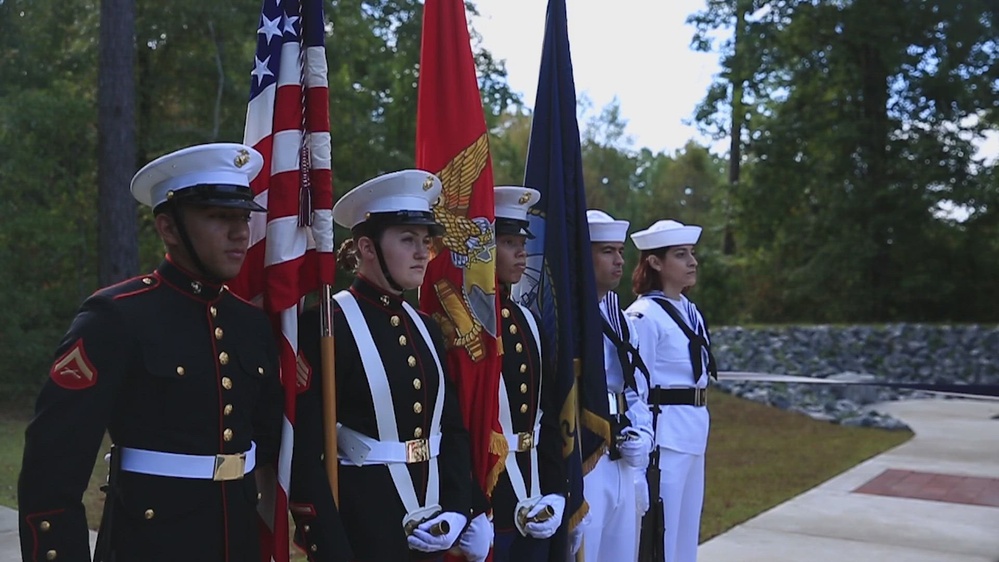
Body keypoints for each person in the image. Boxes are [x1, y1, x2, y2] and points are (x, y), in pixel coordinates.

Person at [17, 143, 285, 562]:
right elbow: (52, 472)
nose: (240, 233)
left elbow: (267, 438)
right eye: (219, 217)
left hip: (238, 539)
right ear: (169, 228)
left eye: (243, 217)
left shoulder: (249, 324)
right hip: (149, 542)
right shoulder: (116, 318)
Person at [291, 170, 475, 561]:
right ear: (367, 247)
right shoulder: (327, 324)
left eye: (426, 241)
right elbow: (305, 454)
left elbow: (451, 427)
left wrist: (461, 509)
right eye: (408, 240)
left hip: (434, 524)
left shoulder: (425, 325)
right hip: (365, 532)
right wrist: (332, 546)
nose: (423, 252)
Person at [625, 219, 717, 562]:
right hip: (664, 438)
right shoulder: (644, 316)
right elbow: (635, 386)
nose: (692, 261)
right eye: (681, 255)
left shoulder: (690, 311)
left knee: (685, 531)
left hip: (693, 431)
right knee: (659, 535)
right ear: (655, 262)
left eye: (692, 253)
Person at [484, 186, 567, 562]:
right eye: (507, 242)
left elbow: (545, 415)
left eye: (522, 241)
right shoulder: (471, 326)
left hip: (534, 489)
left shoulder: (528, 321)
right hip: (494, 495)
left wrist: (556, 490)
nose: (521, 253)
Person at [580, 210, 654, 562]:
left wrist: (644, 436)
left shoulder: (622, 319)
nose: (619, 260)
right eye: (607, 251)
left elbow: (636, 388)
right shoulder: (563, 320)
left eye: (621, 252)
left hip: (623, 454)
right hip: (585, 456)